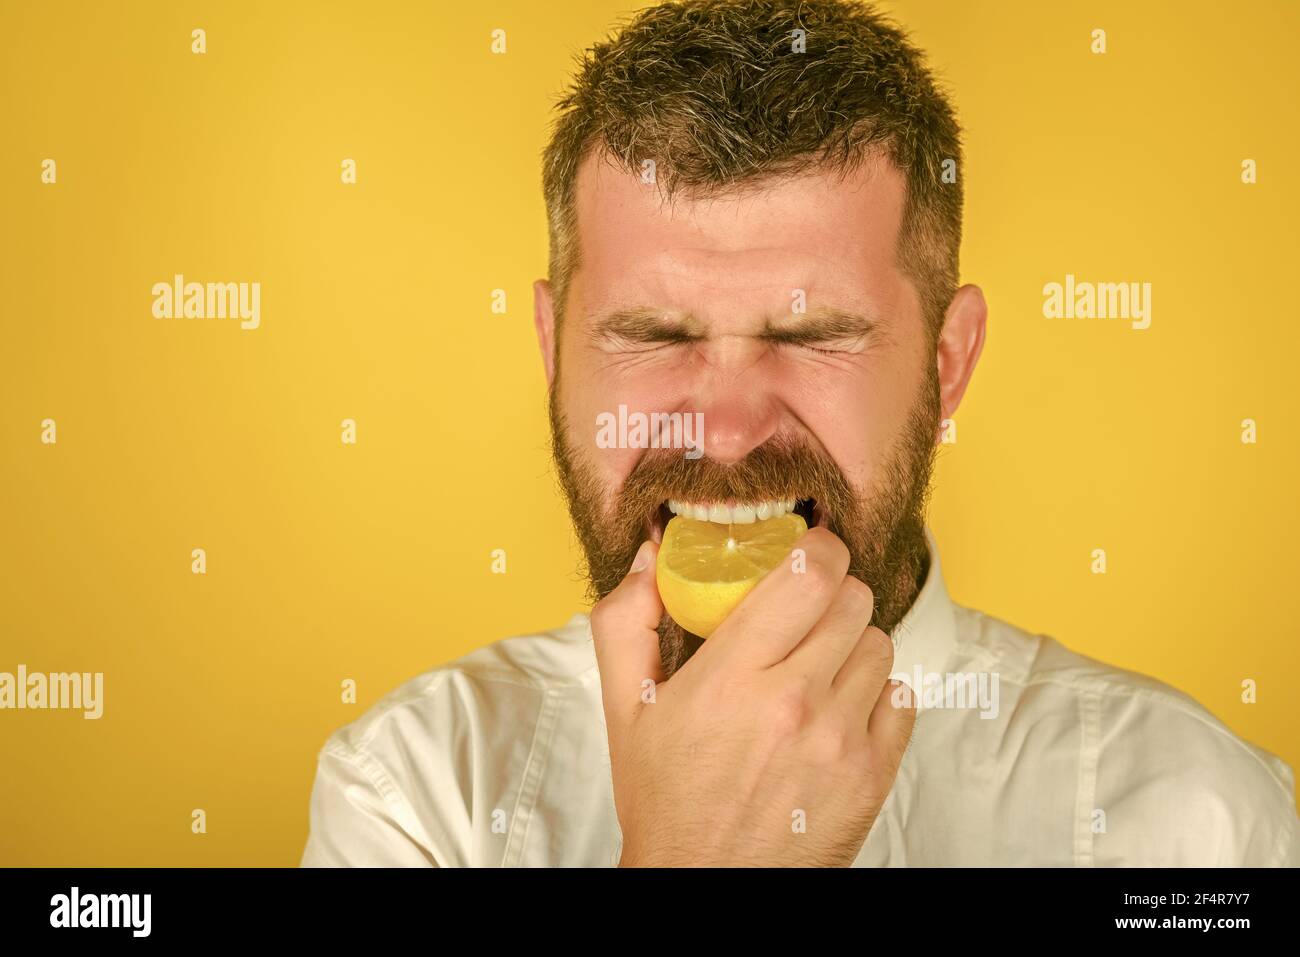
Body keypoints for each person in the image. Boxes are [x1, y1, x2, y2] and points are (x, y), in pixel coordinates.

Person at [301, 0, 1299, 867]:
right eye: (653, 333)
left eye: (813, 336)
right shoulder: (414, 798)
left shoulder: (1193, 819)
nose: (728, 434)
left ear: (946, 365)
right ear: (553, 351)